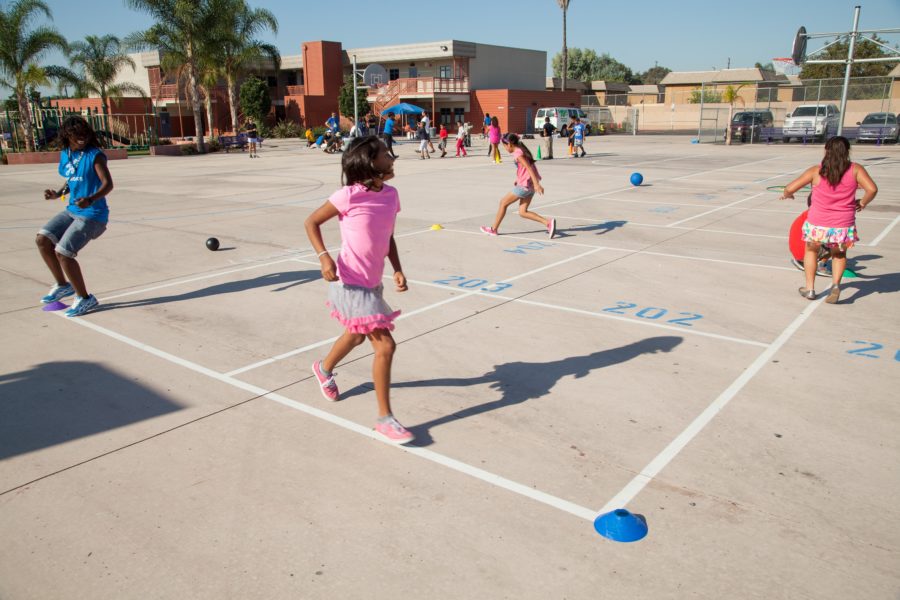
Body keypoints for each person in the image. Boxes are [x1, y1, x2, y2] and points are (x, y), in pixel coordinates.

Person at [304, 136, 414, 444]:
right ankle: (385, 419)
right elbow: (311, 222)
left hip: (373, 282)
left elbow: (387, 235)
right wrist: (324, 257)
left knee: (354, 335)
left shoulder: (391, 196)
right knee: (385, 347)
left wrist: (397, 268)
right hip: (350, 282)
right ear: (369, 161)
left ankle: (323, 369)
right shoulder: (347, 196)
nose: (391, 157)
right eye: (384, 154)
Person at [781, 136, 877, 303]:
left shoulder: (815, 171)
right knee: (839, 254)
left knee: (811, 251)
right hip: (842, 224)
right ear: (847, 151)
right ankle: (835, 286)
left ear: (826, 151)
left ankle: (810, 289)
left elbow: (789, 188)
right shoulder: (855, 170)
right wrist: (862, 202)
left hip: (817, 222)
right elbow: (872, 189)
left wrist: (788, 195)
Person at [37, 115, 113, 318]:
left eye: (84, 134)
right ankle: (63, 285)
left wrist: (91, 198)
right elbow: (72, 180)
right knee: (43, 239)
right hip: (72, 210)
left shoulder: (94, 155)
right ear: (67, 135)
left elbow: (108, 184)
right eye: (77, 134)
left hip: (93, 215)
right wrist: (58, 194)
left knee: (63, 252)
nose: (82, 138)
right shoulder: (66, 154)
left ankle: (85, 299)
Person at [480, 133, 555, 239]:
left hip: (525, 186)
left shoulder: (517, 153)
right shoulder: (521, 150)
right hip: (529, 186)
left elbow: (528, 167)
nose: (505, 148)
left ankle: (493, 229)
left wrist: (537, 184)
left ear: (509, 144)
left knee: (503, 203)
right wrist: (521, 180)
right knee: (522, 212)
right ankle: (548, 223)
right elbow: (525, 168)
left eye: (505, 146)